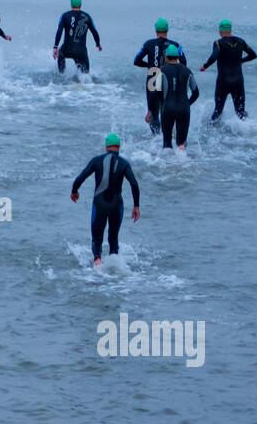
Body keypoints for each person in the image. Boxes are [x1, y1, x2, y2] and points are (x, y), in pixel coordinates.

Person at [70, 133, 141, 267]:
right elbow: (134, 184)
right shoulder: (124, 163)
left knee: (97, 240)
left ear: (106, 147)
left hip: (99, 204)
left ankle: (97, 262)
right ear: (118, 147)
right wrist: (136, 206)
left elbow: (80, 178)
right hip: (116, 205)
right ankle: (114, 270)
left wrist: (74, 191)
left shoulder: (96, 161)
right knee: (113, 239)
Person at [133, 19, 184, 134]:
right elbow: (184, 62)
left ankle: (156, 139)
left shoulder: (148, 44)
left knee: (153, 112)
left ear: (156, 31)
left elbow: (136, 61)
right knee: (169, 109)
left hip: (153, 77)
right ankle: (170, 136)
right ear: (167, 30)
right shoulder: (175, 45)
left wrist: (150, 65)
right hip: (169, 78)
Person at [199, 20, 256, 121]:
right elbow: (253, 55)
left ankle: (210, 132)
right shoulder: (240, 41)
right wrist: (241, 61)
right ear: (230, 30)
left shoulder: (218, 43)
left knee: (218, 111)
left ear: (220, 31)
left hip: (223, 82)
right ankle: (249, 131)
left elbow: (214, 56)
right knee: (240, 112)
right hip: (238, 82)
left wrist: (205, 66)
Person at [158, 45, 199, 150]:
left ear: (166, 57)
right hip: (183, 109)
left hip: (167, 109)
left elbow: (157, 92)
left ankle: (167, 164)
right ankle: (182, 163)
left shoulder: (162, 71)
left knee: (167, 142)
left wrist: (162, 105)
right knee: (181, 142)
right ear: (177, 57)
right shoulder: (187, 71)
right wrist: (187, 103)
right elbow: (196, 93)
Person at [52, 0, 101, 74]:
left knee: (60, 56)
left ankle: (62, 75)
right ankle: (86, 83)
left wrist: (55, 47)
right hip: (81, 51)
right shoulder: (87, 17)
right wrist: (98, 44)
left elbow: (59, 31)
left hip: (67, 49)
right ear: (80, 4)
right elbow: (94, 31)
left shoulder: (64, 16)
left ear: (71, 4)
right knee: (85, 75)